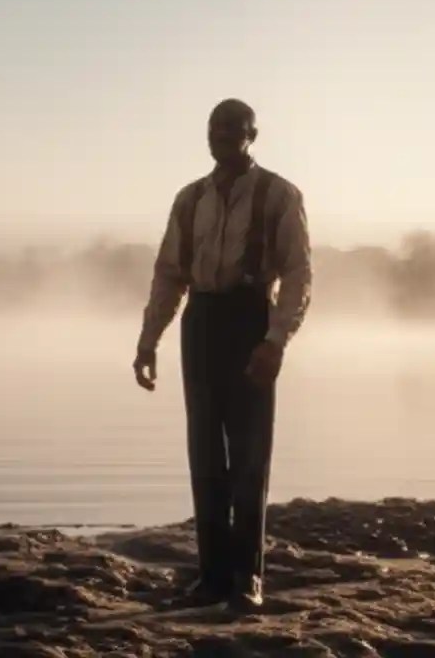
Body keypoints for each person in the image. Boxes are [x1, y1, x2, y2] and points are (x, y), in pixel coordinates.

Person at [132, 98, 312, 611]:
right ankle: (211, 576)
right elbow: (169, 274)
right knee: (205, 454)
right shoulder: (189, 200)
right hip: (202, 321)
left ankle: (248, 579)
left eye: (233, 131)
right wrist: (149, 341)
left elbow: (298, 275)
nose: (223, 138)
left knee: (251, 455)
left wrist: (276, 341)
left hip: (250, 319)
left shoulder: (279, 195)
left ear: (252, 136)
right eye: (215, 130)